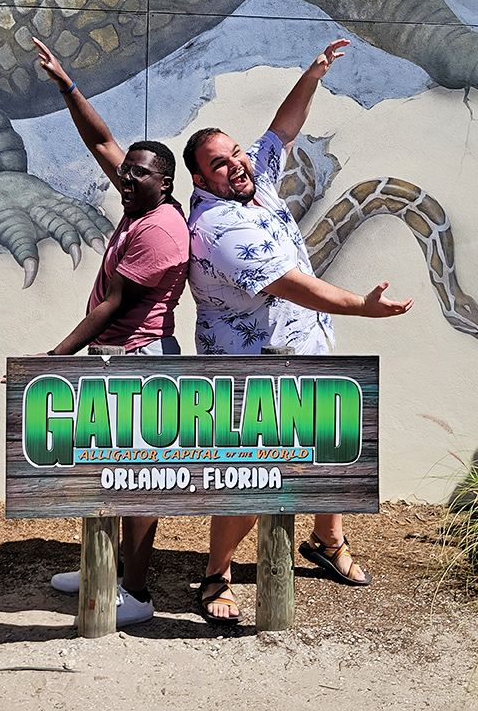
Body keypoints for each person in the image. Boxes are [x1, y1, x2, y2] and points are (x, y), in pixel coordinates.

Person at [183, 38, 413, 624]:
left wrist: (313, 72)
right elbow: (289, 284)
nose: (235, 164)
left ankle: (328, 542)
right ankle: (215, 577)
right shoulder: (217, 226)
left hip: (303, 344)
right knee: (253, 476)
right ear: (201, 180)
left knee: (329, 448)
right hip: (253, 363)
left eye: (234, 154)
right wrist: (361, 306)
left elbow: (280, 131)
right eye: (220, 163)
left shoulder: (252, 177)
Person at [32, 37, 190, 628]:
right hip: (117, 355)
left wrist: (54, 356)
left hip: (143, 355)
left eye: (139, 175)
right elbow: (101, 140)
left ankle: (137, 592)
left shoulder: (161, 230)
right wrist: (66, 83)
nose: (125, 178)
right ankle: (103, 563)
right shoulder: (138, 200)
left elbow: (114, 305)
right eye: (125, 172)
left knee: (141, 479)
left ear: (165, 183)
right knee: (107, 468)